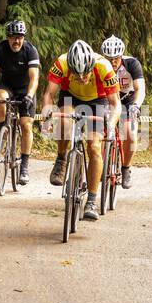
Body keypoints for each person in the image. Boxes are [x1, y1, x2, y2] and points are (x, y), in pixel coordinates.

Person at [41, 39, 121, 221]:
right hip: (71, 96)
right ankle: (61, 158)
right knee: (64, 123)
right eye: (77, 75)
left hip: (97, 100)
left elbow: (116, 104)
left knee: (94, 146)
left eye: (86, 74)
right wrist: (47, 117)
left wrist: (110, 124)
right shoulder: (61, 63)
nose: (82, 78)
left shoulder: (104, 67)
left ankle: (92, 200)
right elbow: (49, 94)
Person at [0, 20, 40, 184]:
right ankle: (3, 130)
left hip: (25, 89)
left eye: (20, 37)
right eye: (13, 37)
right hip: (7, 87)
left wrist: (29, 95)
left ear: (24, 38)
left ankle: (24, 167)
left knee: (26, 125)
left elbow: (34, 77)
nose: (17, 41)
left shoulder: (30, 50)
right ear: (8, 38)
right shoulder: (0, 49)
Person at [100, 35, 144, 188]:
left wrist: (136, 105)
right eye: (109, 58)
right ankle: (101, 164)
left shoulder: (132, 63)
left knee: (130, 134)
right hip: (107, 100)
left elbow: (140, 88)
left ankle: (126, 169)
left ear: (121, 55)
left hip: (127, 101)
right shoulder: (99, 65)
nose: (112, 62)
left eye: (116, 59)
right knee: (100, 133)